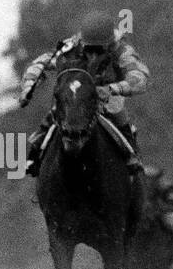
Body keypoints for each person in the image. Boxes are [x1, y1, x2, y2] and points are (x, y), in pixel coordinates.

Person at [19, 10, 150, 176]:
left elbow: (140, 78)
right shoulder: (72, 46)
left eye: (99, 49)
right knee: (58, 110)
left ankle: (131, 154)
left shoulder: (121, 49)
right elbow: (40, 63)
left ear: (109, 43)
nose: (93, 55)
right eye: (90, 49)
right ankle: (35, 153)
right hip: (78, 94)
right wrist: (29, 86)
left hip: (107, 94)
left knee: (117, 111)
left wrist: (112, 89)